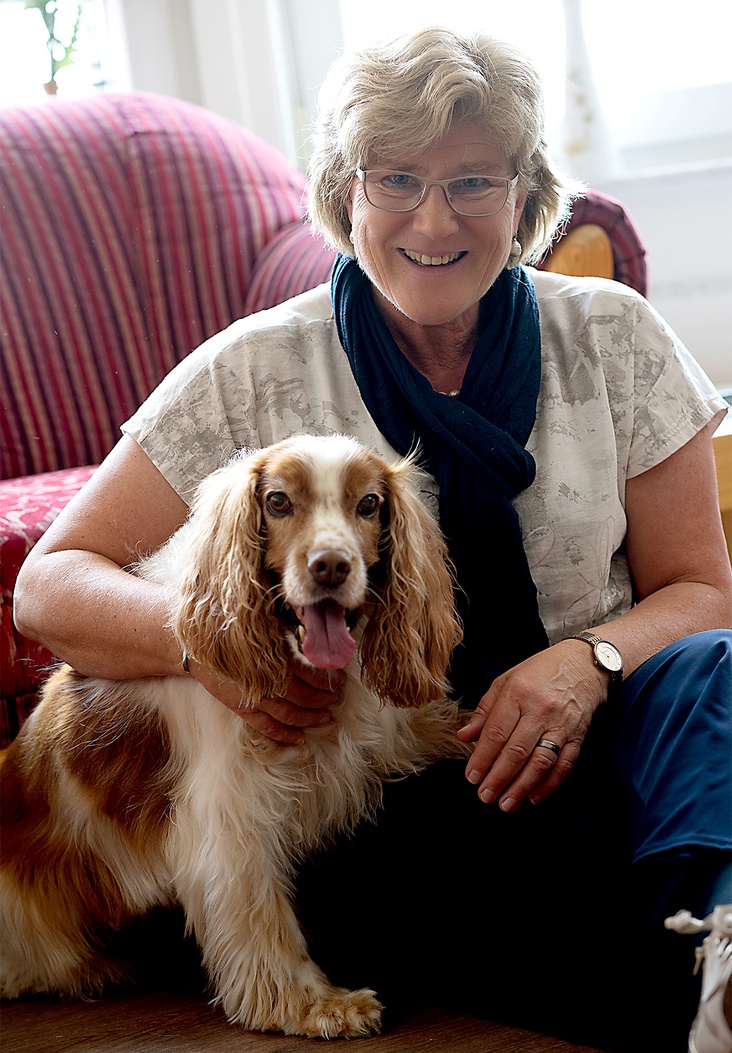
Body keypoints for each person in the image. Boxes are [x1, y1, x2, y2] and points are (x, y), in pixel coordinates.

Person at [13, 26, 732, 1053]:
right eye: (397, 178)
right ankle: (695, 974)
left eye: (474, 181)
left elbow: (705, 591)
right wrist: (220, 652)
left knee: (715, 678)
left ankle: (725, 943)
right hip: (396, 767)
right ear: (345, 195)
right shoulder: (249, 373)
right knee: (499, 916)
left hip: (605, 711)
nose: (434, 218)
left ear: (524, 201)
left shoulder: (613, 337)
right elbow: (50, 588)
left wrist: (586, 660)